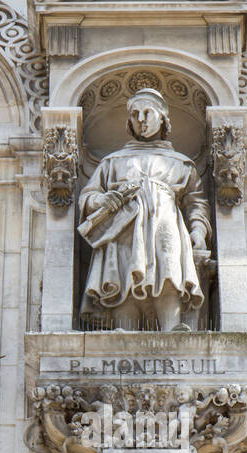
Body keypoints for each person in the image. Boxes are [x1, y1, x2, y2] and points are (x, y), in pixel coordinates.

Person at [77, 88, 211, 331]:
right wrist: (102, 201)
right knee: (123, 275)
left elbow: (196, 202)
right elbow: (87, 196)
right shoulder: (112, 162)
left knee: (169, 271)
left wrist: (198, 233)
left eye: (147, 112)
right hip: (123, 230)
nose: (141, 120)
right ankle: (124, 331)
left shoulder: (181, 163)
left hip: (165, 226)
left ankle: (172, 328)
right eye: (135, 115)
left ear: (162, 118)